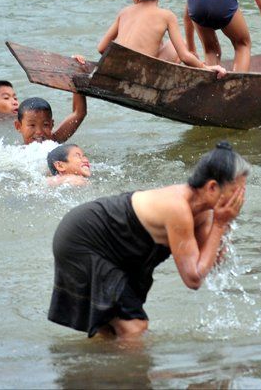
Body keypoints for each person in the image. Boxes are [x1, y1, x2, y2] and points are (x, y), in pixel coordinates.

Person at [48, 142, 249, 339]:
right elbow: (193, 278)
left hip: (112, 247)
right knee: (134, 327)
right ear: (212, 187)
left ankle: (98, 369)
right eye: (237, 191)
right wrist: (221, 223)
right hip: (85, 238)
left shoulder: (201, 212)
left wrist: (226, 223)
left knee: (112, 329)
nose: (241, 198)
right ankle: (131, 372)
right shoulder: (177, 208)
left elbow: (213, 263)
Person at [78, 0, 226, 77]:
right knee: (183, 45)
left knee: (159, 42)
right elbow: (184, 55)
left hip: (120, 70)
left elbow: (101, 48)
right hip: (143, 74)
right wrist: (205, 67)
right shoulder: (166, 15)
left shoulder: (124, 12)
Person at [15, 96, 86, 145]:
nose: (39, 132)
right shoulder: (15, 154)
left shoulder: (55, 140)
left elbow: (79, 113)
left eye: (45, 125)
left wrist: (76, 80)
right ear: (18, 126)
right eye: (32, 125)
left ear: (51, 125)